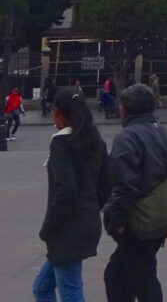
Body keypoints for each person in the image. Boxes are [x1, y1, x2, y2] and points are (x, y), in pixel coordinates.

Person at [103, 83, 167, 302]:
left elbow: (124, 186)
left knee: (143, 278)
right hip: (159, 218)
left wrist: (117, 221)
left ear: (126, 109)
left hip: (137, 221)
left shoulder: (128, 138)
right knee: (117, 275)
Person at [35, 88, 112, 302]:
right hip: (87, 223)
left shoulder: (61, 144)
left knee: (71, 292)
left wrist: (49, 227)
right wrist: (89, 209)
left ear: (59, 113)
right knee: (42, 287)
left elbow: (66, 191)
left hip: (66, 228)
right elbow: (107, 185)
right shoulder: (96, 141)